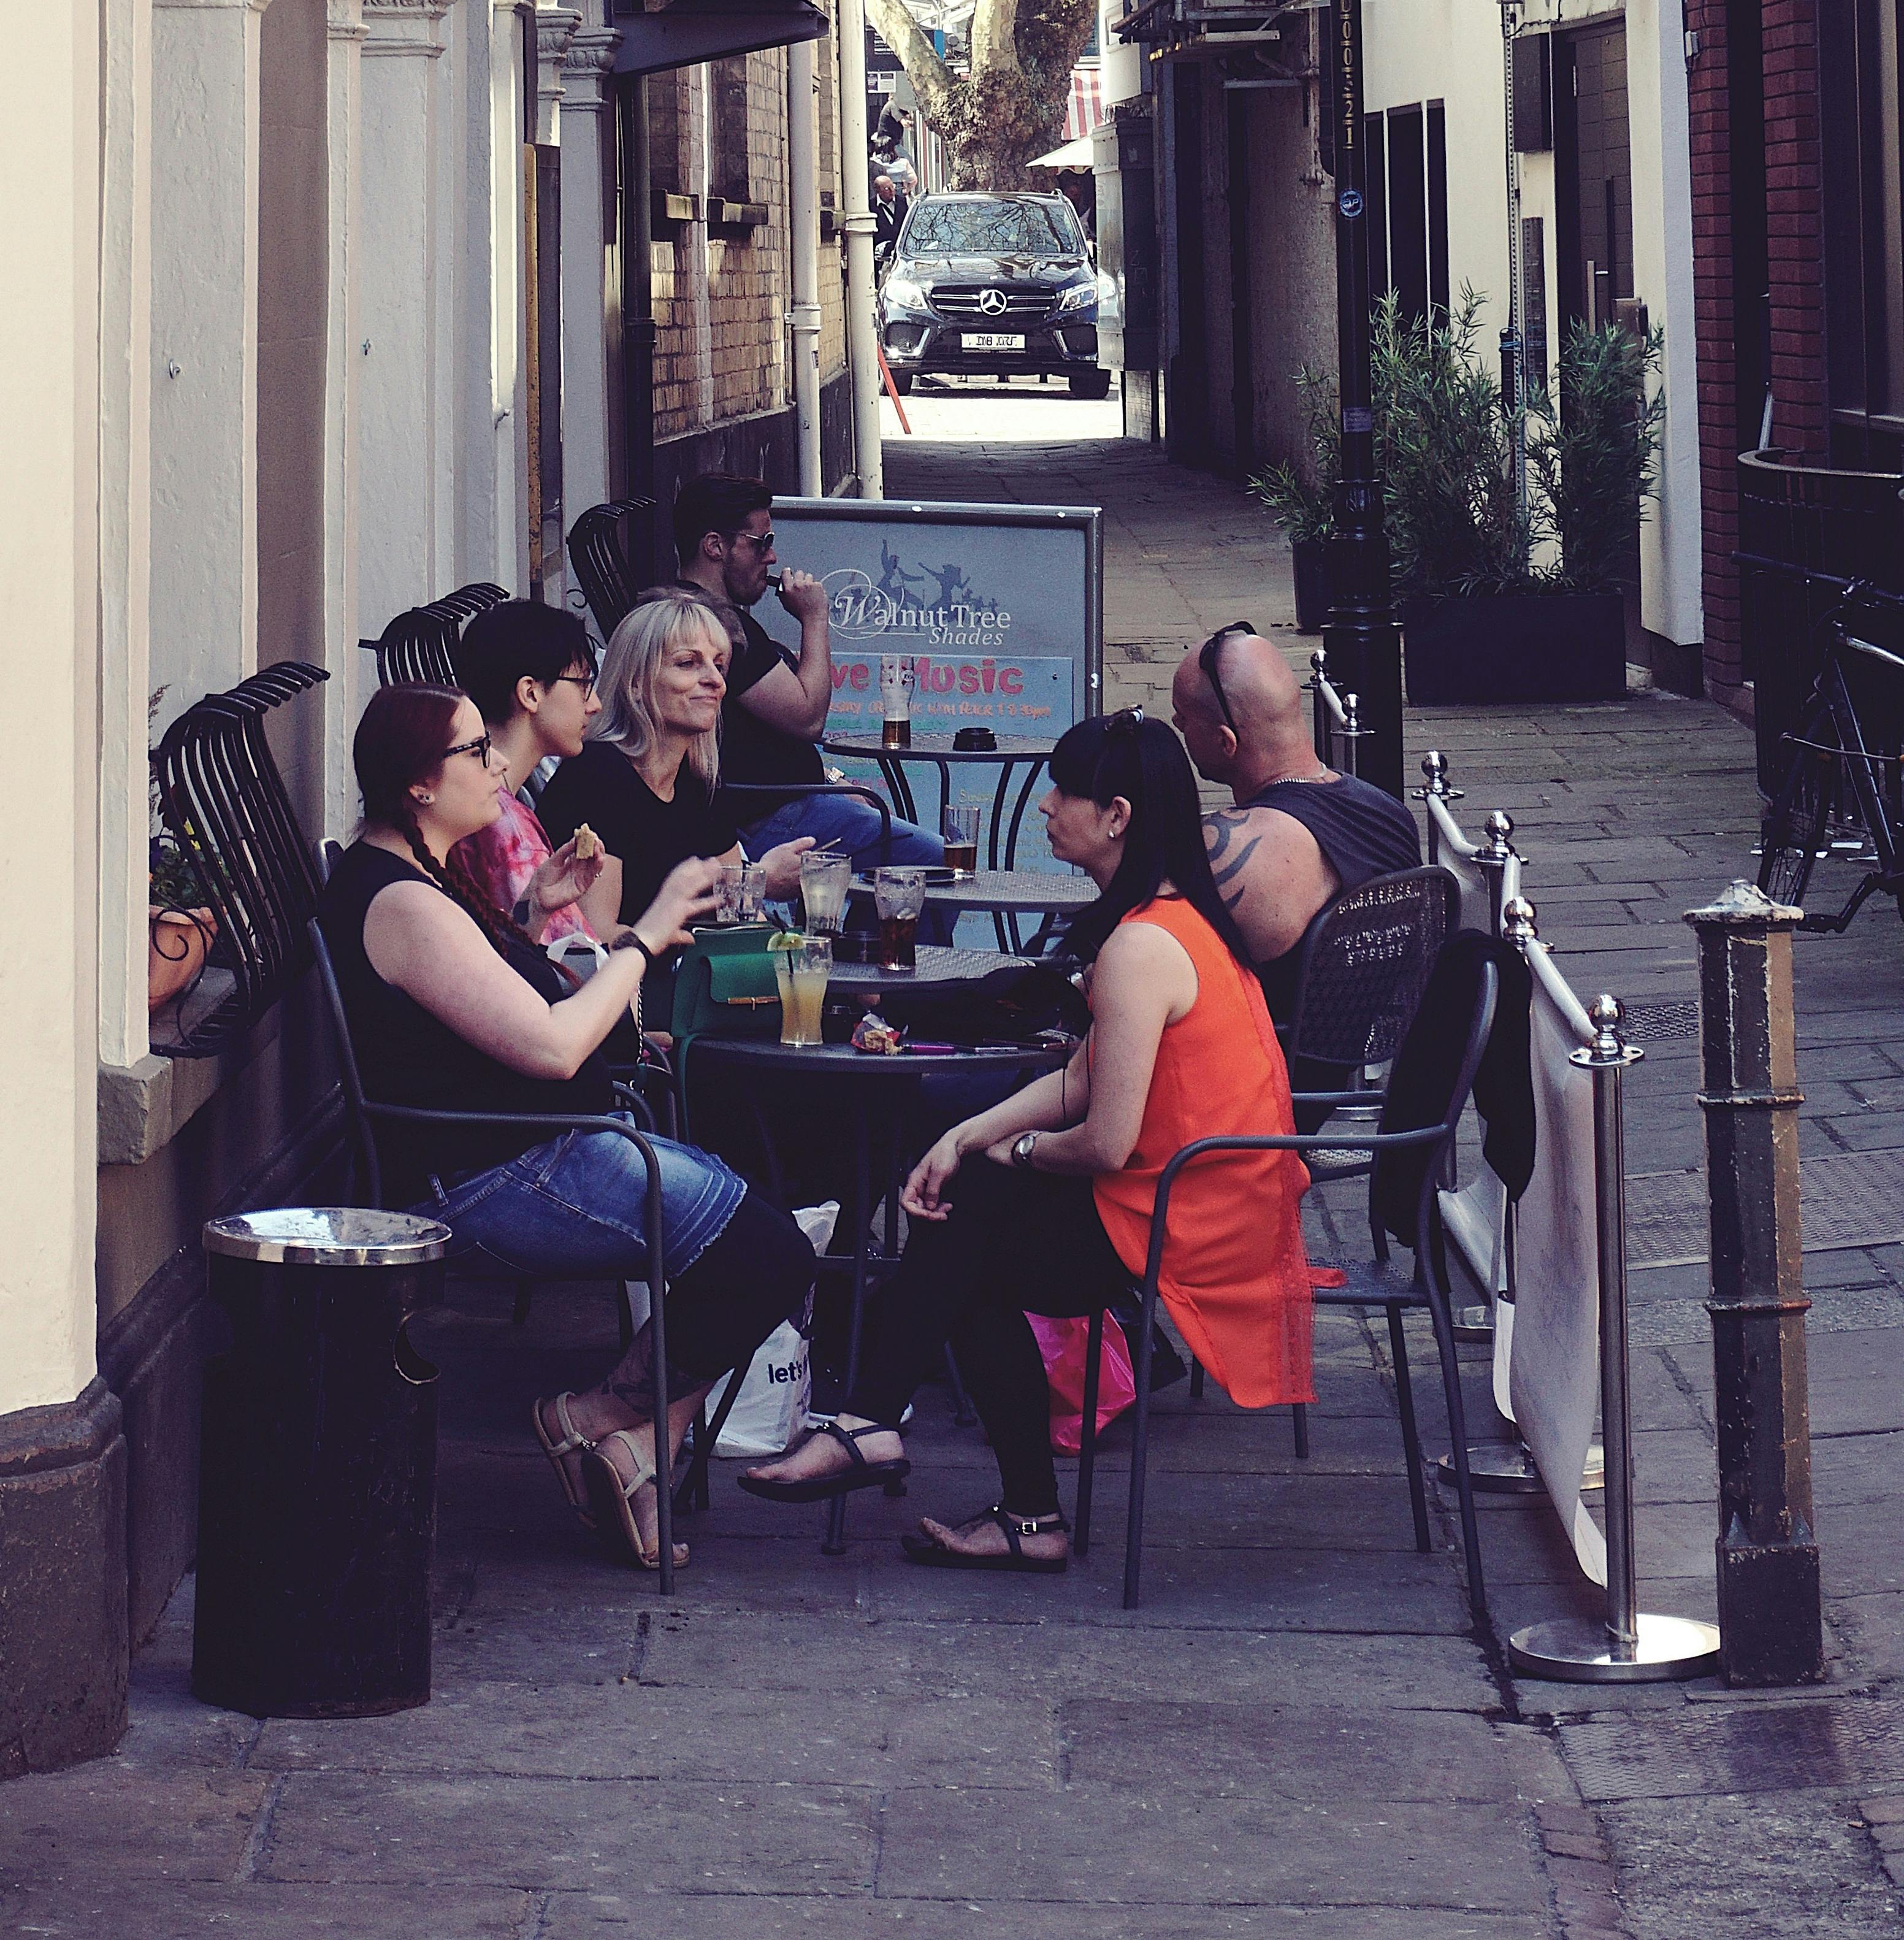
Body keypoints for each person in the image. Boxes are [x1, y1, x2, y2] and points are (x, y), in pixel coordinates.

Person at [736, 712, 1317, 1570]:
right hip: (1203, 1194)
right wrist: (966, 1137)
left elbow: (1104, 1142)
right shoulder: (1170, 918)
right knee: (965, 1227)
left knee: (966, 1239)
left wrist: (1002, 1153)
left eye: (1064, 792)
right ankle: (962, 1481)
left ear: (1115, 816)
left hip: (1194, 1216)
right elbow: (1081, 1077)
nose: (1045, 806)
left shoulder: (1141, 946)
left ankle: (900, 1440)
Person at [317, 683, 817, 1570]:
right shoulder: (403, 902)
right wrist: (646, 935)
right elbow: (552, 1048)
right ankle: (597, 1421)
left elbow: (454, 1011)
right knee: (771, 1256)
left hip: (529, 1149)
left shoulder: (419, 874)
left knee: (759, 1246)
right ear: (420, 784)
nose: (498, 765)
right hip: (491, 1178)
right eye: (475, 751)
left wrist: (529, 911)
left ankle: (632, 1443)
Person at [672, 474, 942, 870]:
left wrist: (829, 781)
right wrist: (815, 617)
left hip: (791, 800)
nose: (772, 557)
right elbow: (808, 718)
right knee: (939, 861)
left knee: (902, 838)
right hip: (766, 818)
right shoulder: (716, 630)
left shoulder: (700, 617)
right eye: (761, 543)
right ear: (715, 546)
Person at [1170, 623, 1421, 1026]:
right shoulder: (1389, 812)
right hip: (1376, 1050)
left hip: (1272, 1059)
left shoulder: (1238, 848)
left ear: (1225, 742)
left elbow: (1141, 955)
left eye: (1183, 718)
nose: (1176, 724)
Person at [536, 591, 817, 935]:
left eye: (719, 665)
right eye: (688, 664)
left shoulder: (697, 782)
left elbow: (738, 916)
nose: (716, 680)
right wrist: (760, 878)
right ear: (636, 683)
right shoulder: (597, 776)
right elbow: (596, 938)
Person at [448, 599, 606, 960]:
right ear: (530, 693)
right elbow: (570, 965)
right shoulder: (504, 826)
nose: (594, 704)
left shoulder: (473, 800)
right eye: (583, 684)